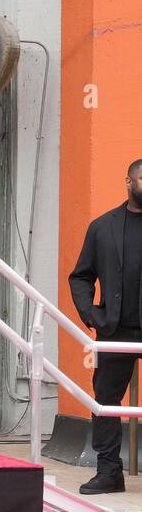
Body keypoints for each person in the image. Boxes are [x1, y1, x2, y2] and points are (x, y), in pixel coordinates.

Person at [68, 159, 142, 493]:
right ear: (129, 181)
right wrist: (92, 315)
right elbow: (81, 276)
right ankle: (110, 472)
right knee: (106, 401)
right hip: (116, 331)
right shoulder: (102, 227)